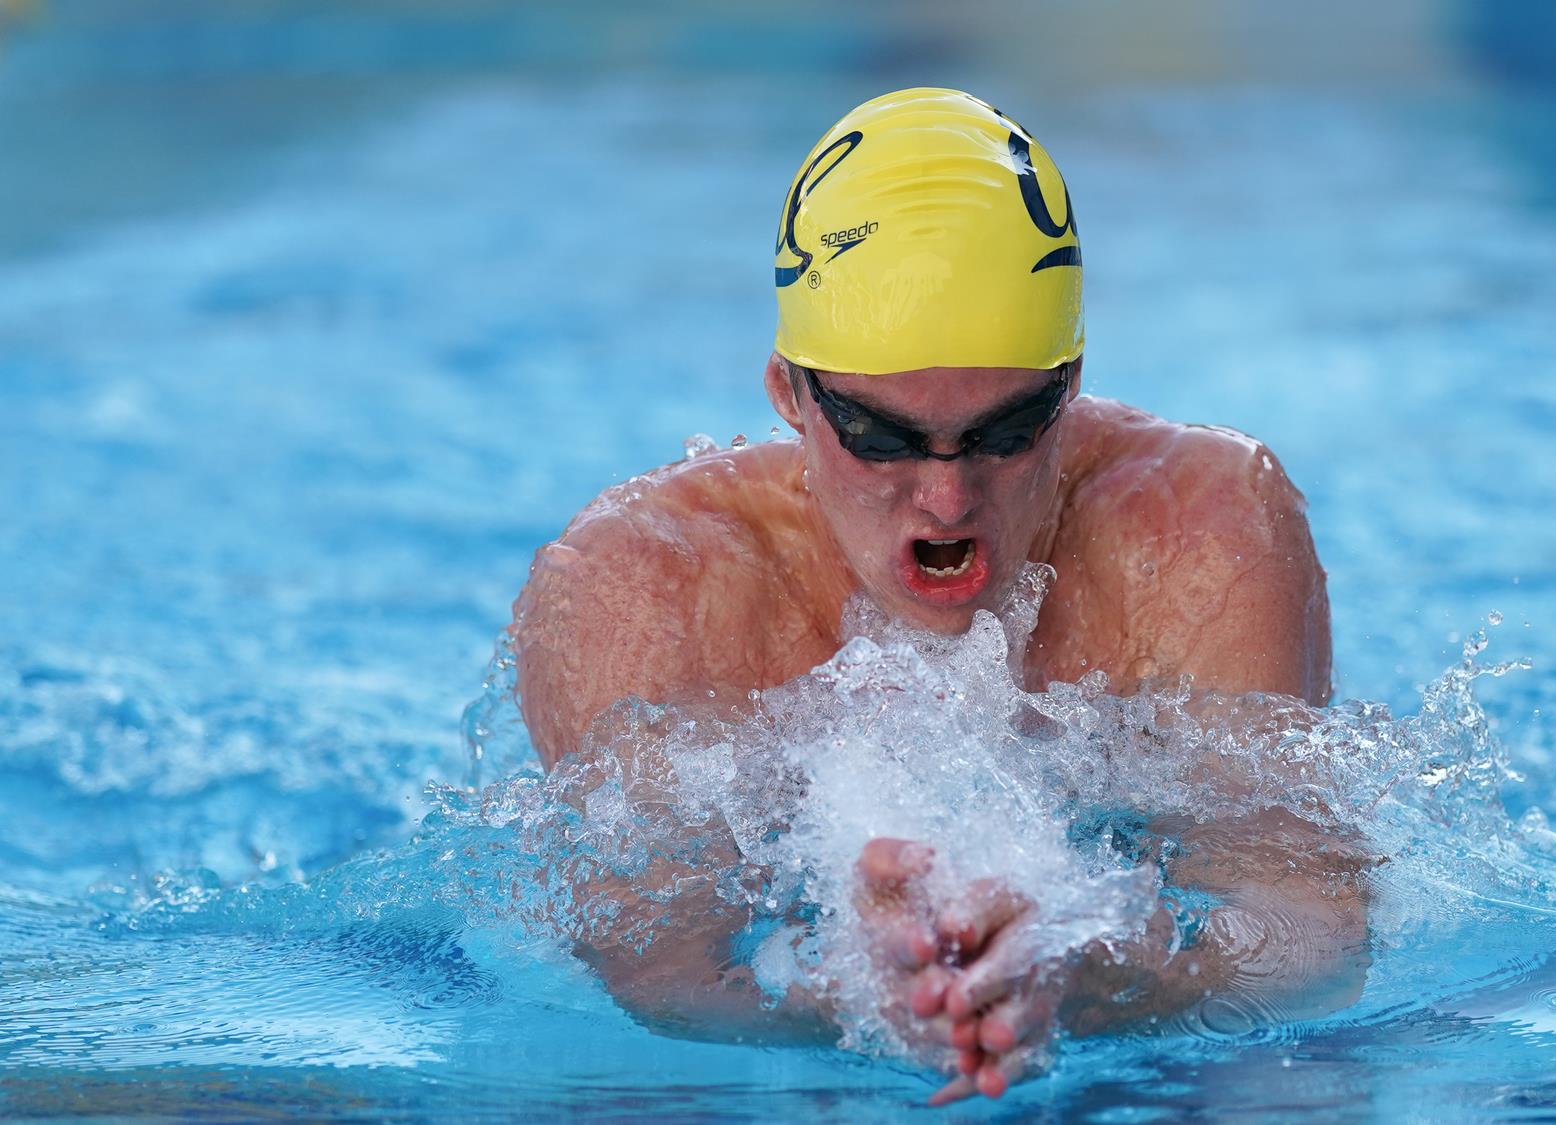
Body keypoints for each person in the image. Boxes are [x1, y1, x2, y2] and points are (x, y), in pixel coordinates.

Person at [511, 88, 1365, 1105]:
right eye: (879, 437)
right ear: (789, 393)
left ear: (1072, 380)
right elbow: (655, 977)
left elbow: (1313, 932)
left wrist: (1098, 977)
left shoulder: (1201, 527)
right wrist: (840, 995)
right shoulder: (642, 584)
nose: (949, 497)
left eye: (1010, 429)